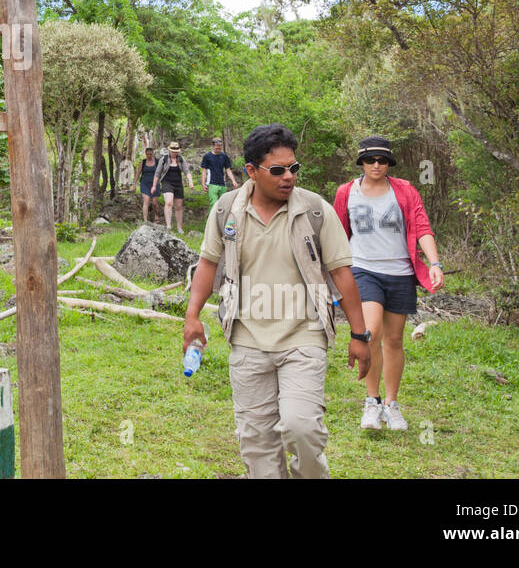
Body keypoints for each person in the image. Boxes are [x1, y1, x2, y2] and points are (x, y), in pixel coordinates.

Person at [183, 123, 371, 479]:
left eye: (294, 168)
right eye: (278, 170)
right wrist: (192, 316)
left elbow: (343, 274)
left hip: (303, 337)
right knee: (257, 444)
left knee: (302, 429)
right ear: (251, 172)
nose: (289, 177)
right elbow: (208, 264)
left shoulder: (314, 210)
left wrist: (360, 336)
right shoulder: (227, 210)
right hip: (248, 341)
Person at [332, 135, 443, 431]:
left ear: (389, 163)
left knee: (394, 340)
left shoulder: (404, 191)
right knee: (372, 332)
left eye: (382, 160)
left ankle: (391, 405)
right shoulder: (346, 193)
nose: (376, 165)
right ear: (362, 162)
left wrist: (434, 263)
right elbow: (337, 234)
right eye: (370, 160)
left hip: (400, 272)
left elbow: (422, 228)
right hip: (363, 270)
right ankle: (372, 401)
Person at [150, 142, 195, 233]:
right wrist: (154, 186)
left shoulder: (181, 160)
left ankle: (179, 228)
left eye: (176, 151)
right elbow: (157, 173)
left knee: (178, 206)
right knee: (169, 202)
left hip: (178, 184)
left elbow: (187, 171)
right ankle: (169, 226)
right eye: (173, 151)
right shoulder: (164, 159)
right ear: (169, 150)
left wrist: (190, 182)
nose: (175, 153)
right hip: (167, 183)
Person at [201, 136, 239, 208]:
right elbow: (204, 171)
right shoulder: (207, 156)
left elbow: (228, 170)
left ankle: (221, 219)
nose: (218, 150)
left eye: (220, 148)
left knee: (223, 204)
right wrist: (203, 183)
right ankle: (211, 219)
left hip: (222, 183)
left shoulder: (224, 156)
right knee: (214, 204)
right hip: (212, 183)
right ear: (212, 146)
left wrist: (233, 181)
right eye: (217, 148)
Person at [137, 146, 159, 223]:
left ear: (153, 154)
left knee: (154, 203)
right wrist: (134, 184)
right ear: (145, 154)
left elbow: (161, 173)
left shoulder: (157, 162)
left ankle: (156, 215)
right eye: (147, 154)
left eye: (150, 154)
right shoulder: (142, 163)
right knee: (146, 201)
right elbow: (138, 173)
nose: (149, 156)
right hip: (144, 184)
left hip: (155, 184)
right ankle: (145, 220)